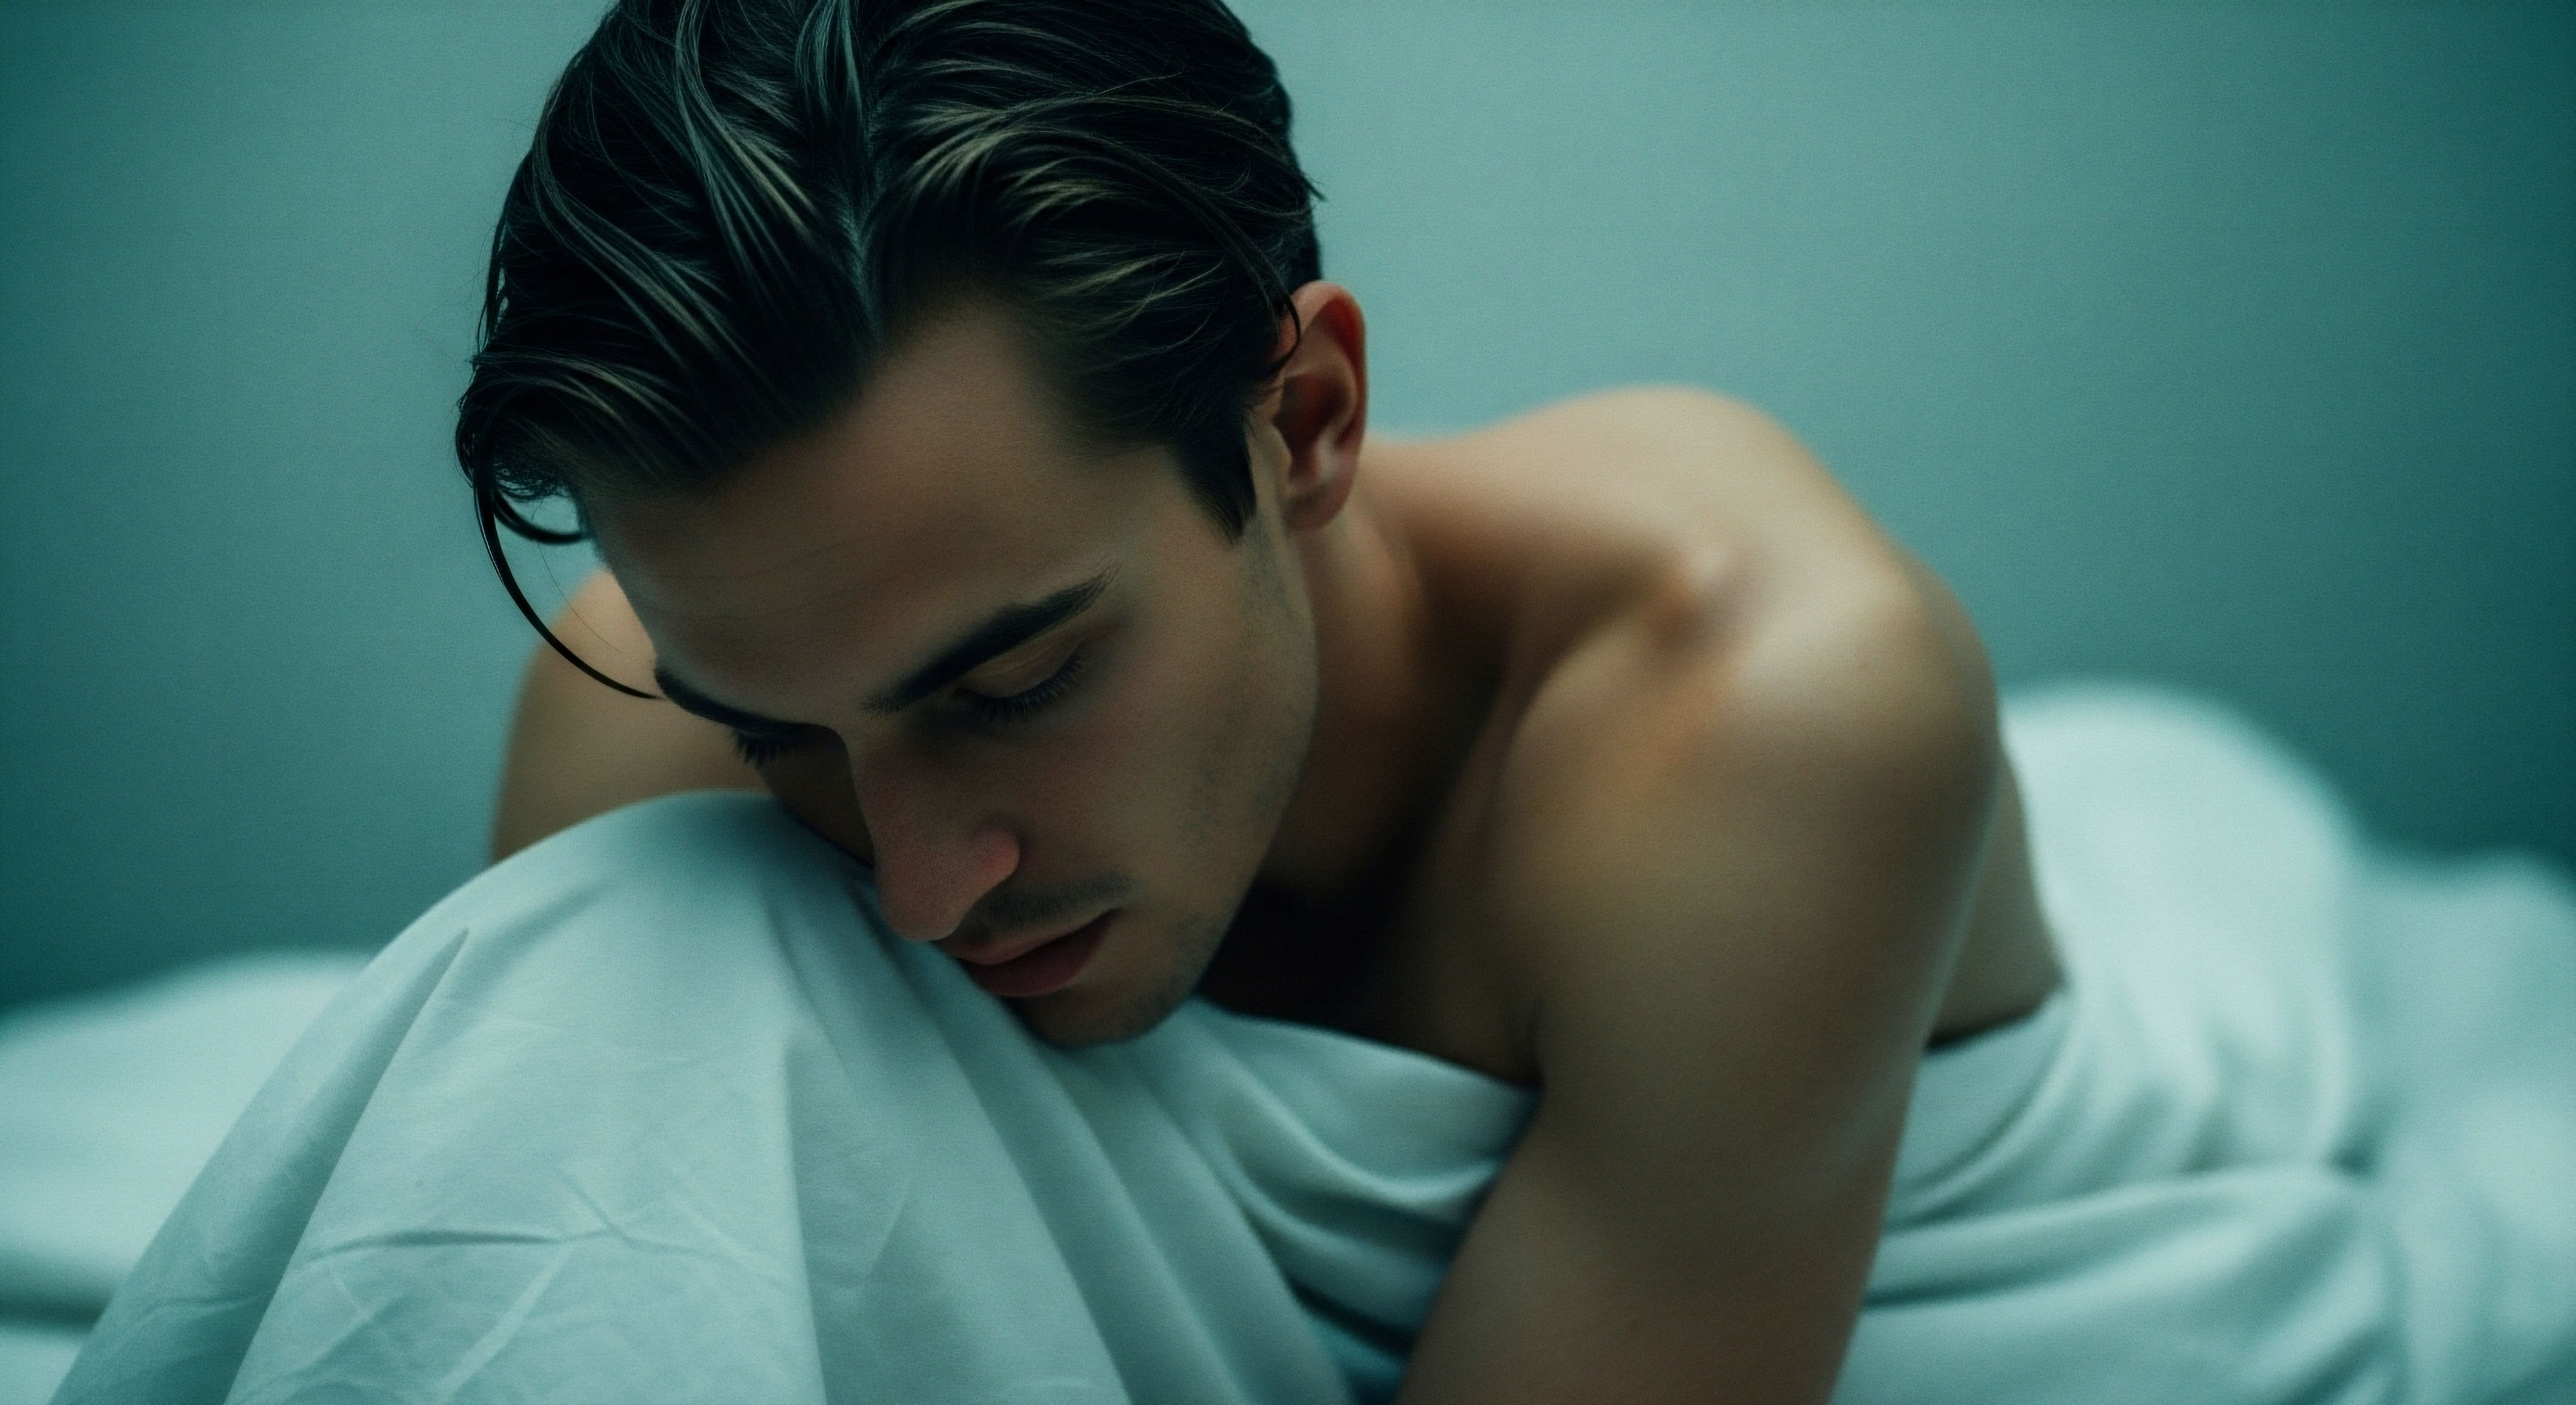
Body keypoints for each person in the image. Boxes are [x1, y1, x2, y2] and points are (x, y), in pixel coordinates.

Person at [55, 1, 2576, 1401]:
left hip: (2094, 942)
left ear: (1307, 419)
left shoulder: (1767, 725)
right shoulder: (643, 711)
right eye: (788, 743)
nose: (918, 883)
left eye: (1016, 674)